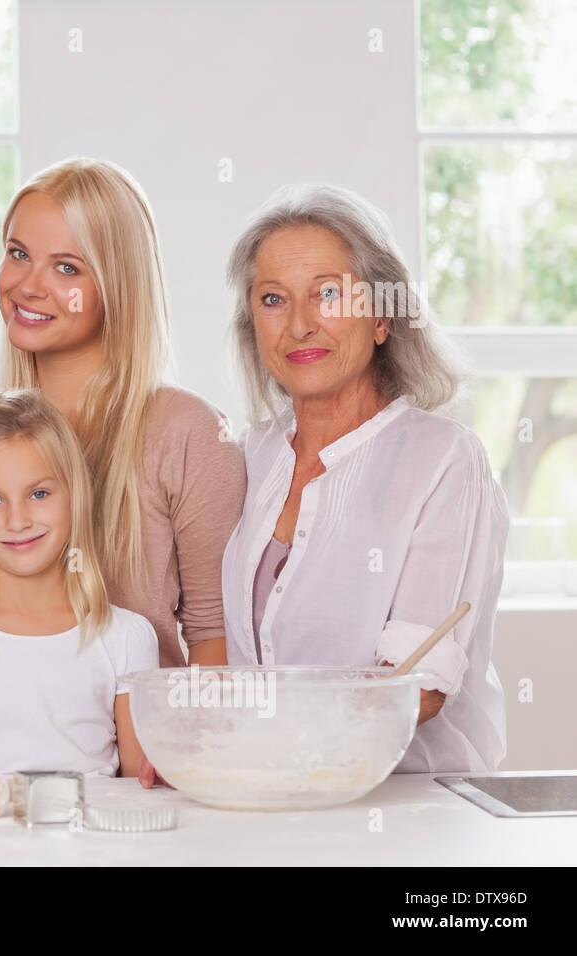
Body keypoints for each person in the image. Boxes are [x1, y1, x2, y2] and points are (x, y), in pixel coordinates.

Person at [221, 183, 508, 772]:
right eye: (273, 299)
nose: (299, 324)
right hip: (269, 796)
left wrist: (279, 754)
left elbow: (418, 683)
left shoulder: (443, 459)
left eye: (328, 294)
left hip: (411, 808)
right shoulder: (248, 455)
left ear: (381, 318)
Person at [0, 159, 246, 673]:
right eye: (19, 254)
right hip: (3, 746)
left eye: (67, 267)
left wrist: (188, 751)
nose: (28, 286)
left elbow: (214, 637)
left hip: (149, 746)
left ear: (118, 285)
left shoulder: (188, 434)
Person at [0, 387, 158, 777]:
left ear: (75, 495)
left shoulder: (127, 638)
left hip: (93, 837)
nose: (17, 520)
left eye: (39, 493)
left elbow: (143, 791)